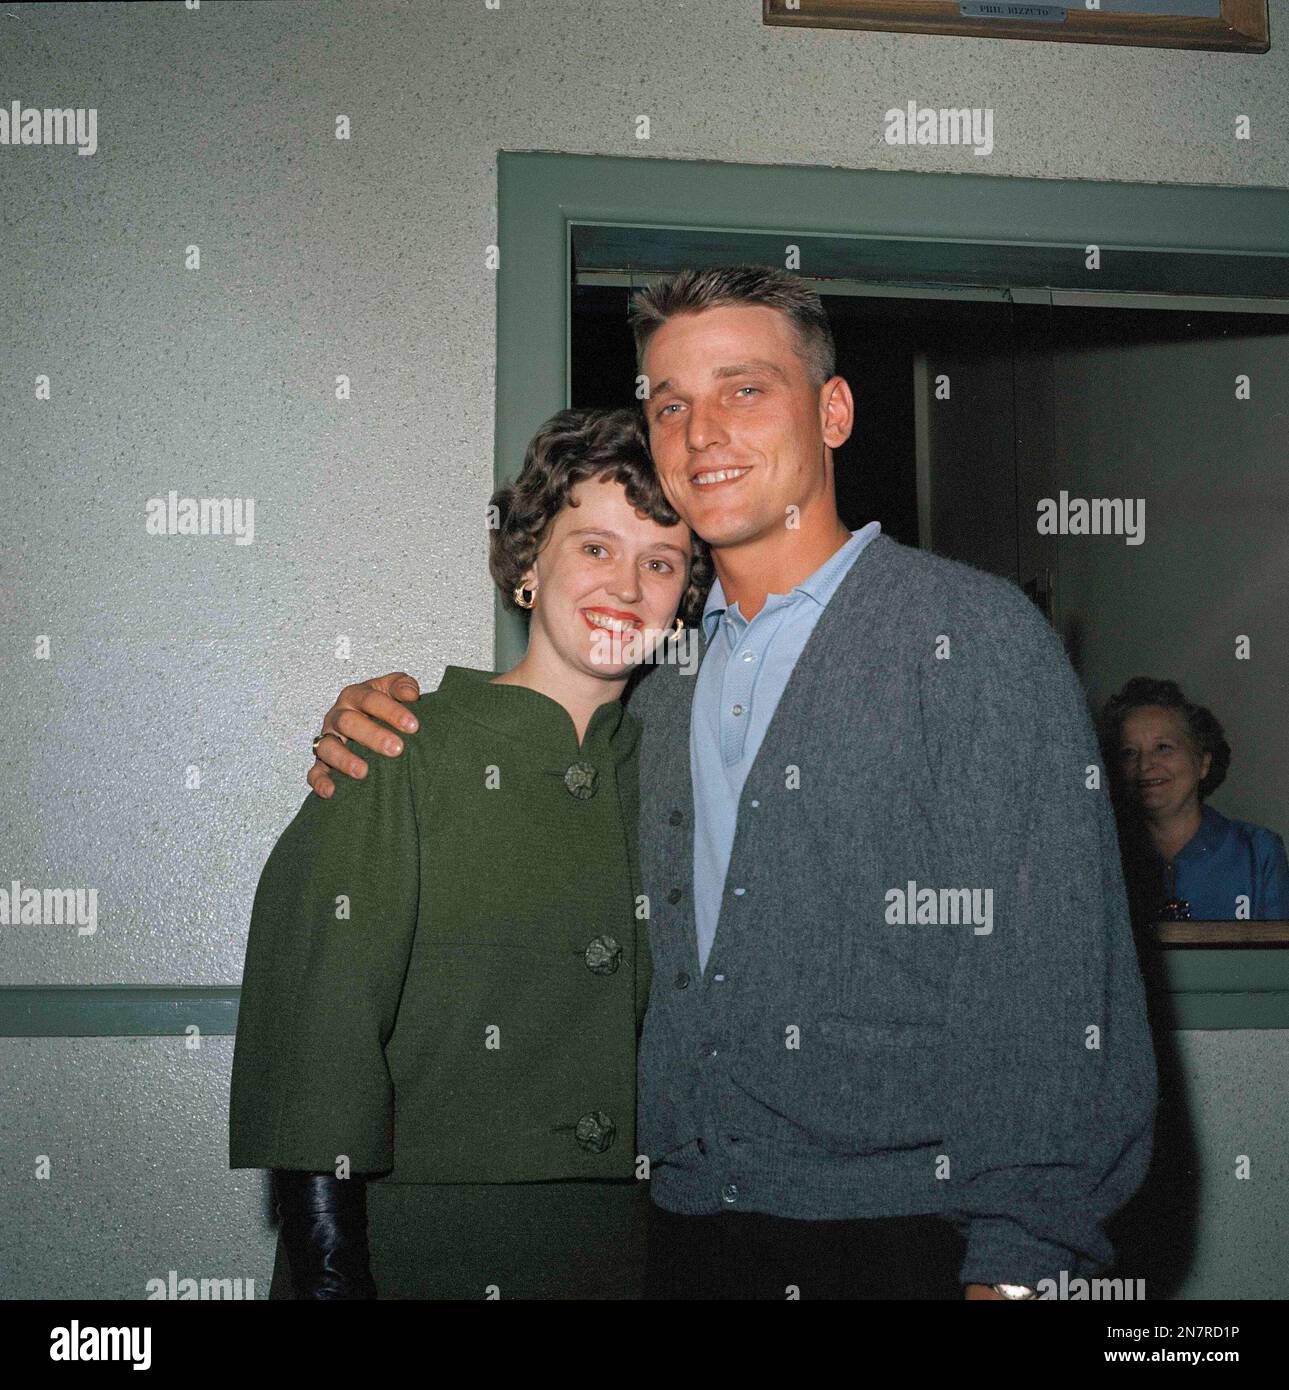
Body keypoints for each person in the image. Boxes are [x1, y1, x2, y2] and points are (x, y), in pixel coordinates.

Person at [306, 264, 1159, 1300]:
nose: (700, 429)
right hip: (680, 1232)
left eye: (742, 389)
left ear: (832, 410)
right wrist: (386, 720)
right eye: (669, 402)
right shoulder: (660, 683)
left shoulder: (967, 637)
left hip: (903, 1239)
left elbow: (1052, 980)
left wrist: (1021, 1270)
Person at [228, 405, 707, 1298]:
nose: (627, 586)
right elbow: (315, 1039)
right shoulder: (401, 744)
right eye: (594, 548)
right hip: (418, 1249)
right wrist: (336, 1277)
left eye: (660, 562)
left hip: (626, 1255)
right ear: (529, 565)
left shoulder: (683, 776)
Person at [1100, 676, 1289, 925]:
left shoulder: (1257, 853)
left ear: (1202, 763)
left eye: (1163, 747)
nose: (1145, 765)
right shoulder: (1102, 857)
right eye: (1129, 753)